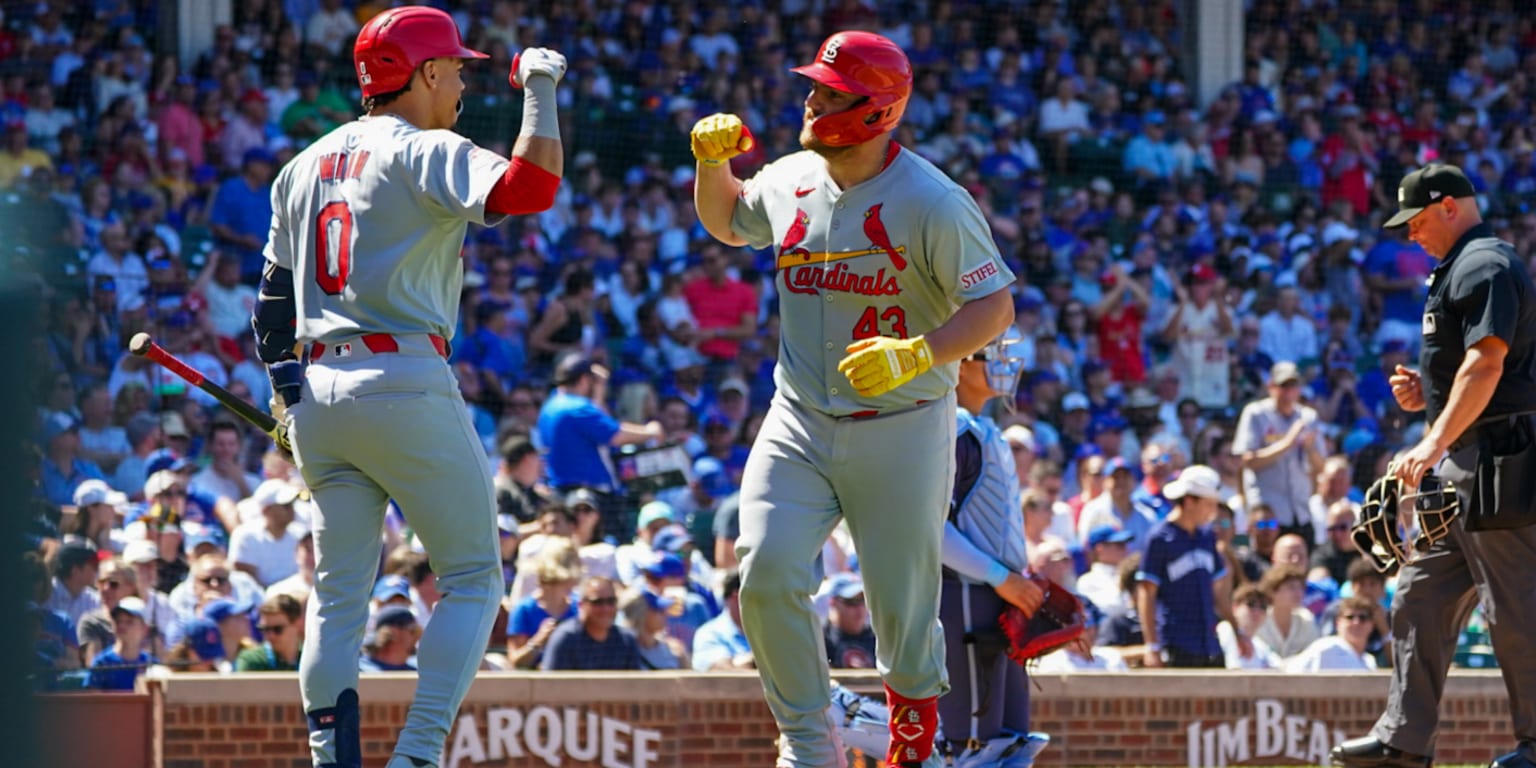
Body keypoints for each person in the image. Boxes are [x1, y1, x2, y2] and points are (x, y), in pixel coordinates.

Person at [249, 8, 568, 767]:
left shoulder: (303, 165)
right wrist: (543, 91)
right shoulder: (425, 148)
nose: (460, 80)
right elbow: (531, 189)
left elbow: (269, 303)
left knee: (338, 597)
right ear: (425, 74)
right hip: (404, 376)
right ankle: (418, 754)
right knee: (473, 578)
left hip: (319, 387)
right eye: (454, 68)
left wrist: (289, 396)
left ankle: (334, 759)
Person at [690, 30, 1016, 768]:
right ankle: (809, 741)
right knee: (765, 572)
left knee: (901, 613)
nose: (811, 100)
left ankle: (912, 746)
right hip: (798, 417)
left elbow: (994, 307)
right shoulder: (788, 177)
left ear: (877, 110)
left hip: (902, 425)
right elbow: (728, 219)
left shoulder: (933, 199)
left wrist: (921, 352)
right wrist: (712, 166)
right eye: (813, 86)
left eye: (830, 92)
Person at [1334, 164, 1536, 768]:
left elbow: (1489, 363)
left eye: (1417, 219)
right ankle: (1404, 740)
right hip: (1465, 461)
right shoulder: (1457, 267)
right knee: (1419, 595)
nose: (1411, 233)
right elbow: (1472, 373)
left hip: (1501, 458)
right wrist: (1431, 394)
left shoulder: (1485, 263)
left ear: (1449, 206)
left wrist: (1430, 440)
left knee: (1517, 610)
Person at [936, 326, 1047, 765]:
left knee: (1010, 741)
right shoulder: (952, 429)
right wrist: (1001, 577)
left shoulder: (982, 428)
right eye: (991, 355)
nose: (1004, 363)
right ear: (961, 362)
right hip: (965, 594)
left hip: (995, 594)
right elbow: (930, 530)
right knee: (971, 746)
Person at [1135, 465, 1233, 668]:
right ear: (1189, 501)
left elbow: (1219, 592)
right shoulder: (1160, 538)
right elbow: (1146, 593)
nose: (1214, 513)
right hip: (1177, 643)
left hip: (1209, 643)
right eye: (1208, 505)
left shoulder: (1206, 537)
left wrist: (1237, 630)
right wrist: (1151, 646)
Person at [1232, 361, 1326, 542]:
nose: (1289, 392)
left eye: (1293, 386)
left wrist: (1310, 449)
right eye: (1283, 386)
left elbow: (1321, 466)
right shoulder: (1256, 413)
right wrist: (1287, 443)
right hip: (1268, 516)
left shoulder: (1307, 417)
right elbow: (1247, 460)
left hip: (1301, 510)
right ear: (1271, 386)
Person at [539, 576, 642, 671]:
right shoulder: (566, 639)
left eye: (611, 601)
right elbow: (550, 685)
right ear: (581, 605)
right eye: (597, 602)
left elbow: (635, 686)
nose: (605, 609)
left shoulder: (626, 641)